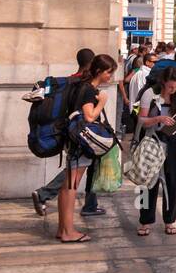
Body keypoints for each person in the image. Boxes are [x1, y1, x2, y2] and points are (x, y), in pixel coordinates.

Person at [32, 48, 105, 217]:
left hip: (69, 131)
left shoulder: (70, 80)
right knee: (75, 170)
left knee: (84, 166)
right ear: (93, 64)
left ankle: (90, 204)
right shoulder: (86, 84)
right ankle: (45, 194)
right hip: (82, 134)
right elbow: (89, 115)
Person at [57, 53, 116, 244]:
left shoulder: (79, 85)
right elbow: (89, 117)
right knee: (71, 187)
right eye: (109, 72)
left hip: (73, 141)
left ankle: (62, 229)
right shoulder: (89, 90)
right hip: (81, 144)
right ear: (99, 71)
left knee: (67, 186)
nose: (111, 77)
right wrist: (103, 102)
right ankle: (69, 231)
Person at [135, 68, 176, 236]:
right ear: (164, 82)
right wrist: (158, 118)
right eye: (171, 87)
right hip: (151, 139)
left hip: (171, 139)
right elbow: (141, 120)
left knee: (172, 180)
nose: (173, 90)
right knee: (147, 182)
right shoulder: (150, 94)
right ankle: (144, 221)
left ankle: (170, 220)